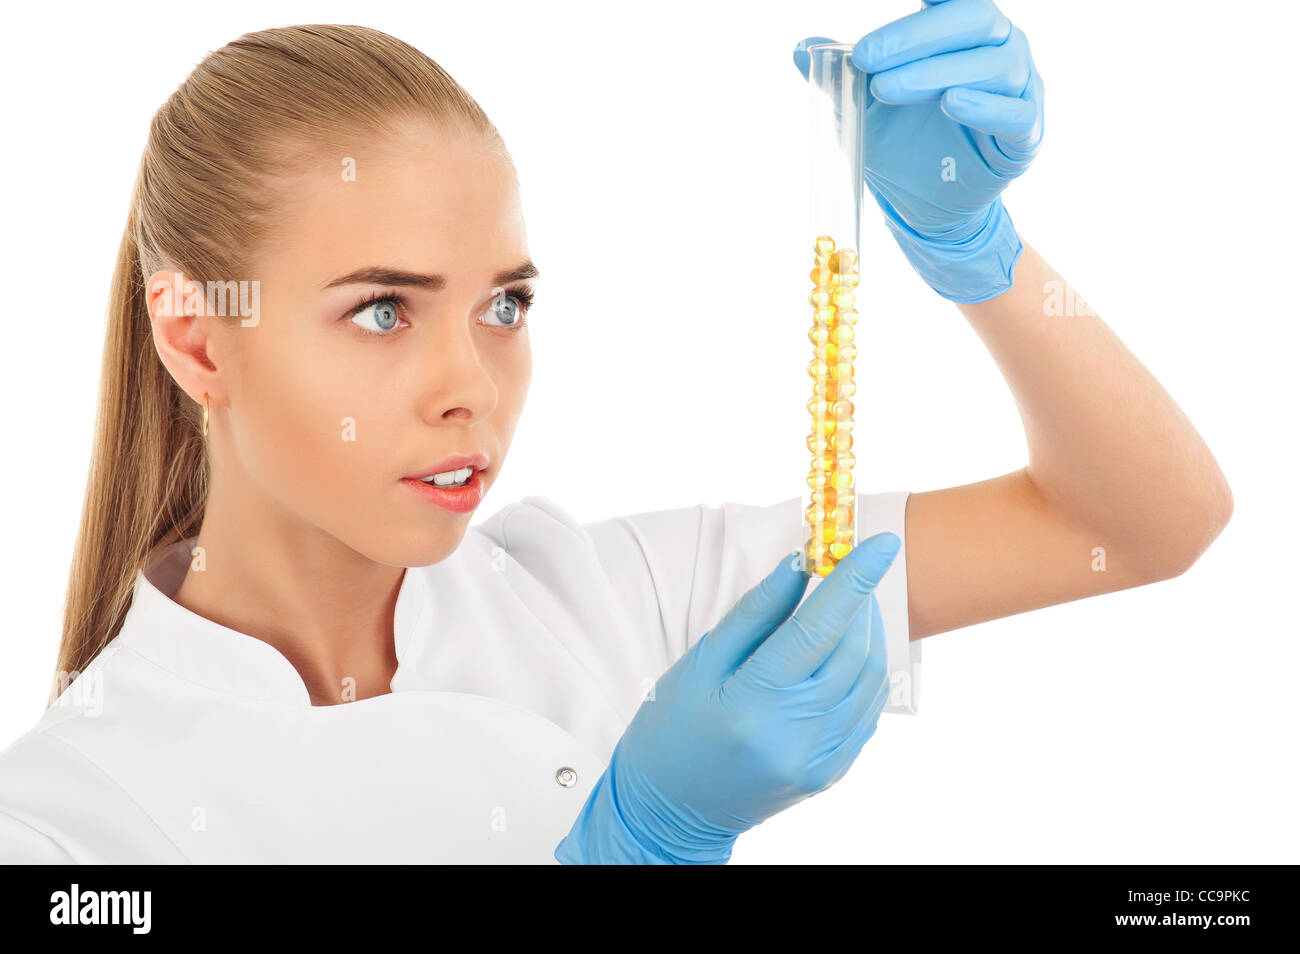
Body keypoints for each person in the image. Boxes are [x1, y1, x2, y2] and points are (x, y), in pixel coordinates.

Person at [0, 5, 1231, 865]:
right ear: (200, 339)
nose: (469, 386)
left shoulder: (606, 598)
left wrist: (971, 248)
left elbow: (1133, 524)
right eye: (381, 310)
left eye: (505, 306)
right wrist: (632, 848)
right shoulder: (71, 821)